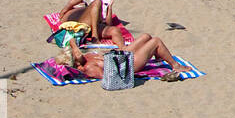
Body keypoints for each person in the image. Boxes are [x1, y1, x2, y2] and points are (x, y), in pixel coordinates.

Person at [57, 32, 192, 81]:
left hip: (119, 56)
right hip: (127, 65)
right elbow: (109, 77)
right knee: (155, 41)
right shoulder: (88, 68)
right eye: (75, 54)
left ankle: (157, 56)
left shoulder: (86, 58)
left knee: (146, 36)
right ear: (75, 62)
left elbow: (72, 42)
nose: (77, 52)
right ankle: (176, 65)